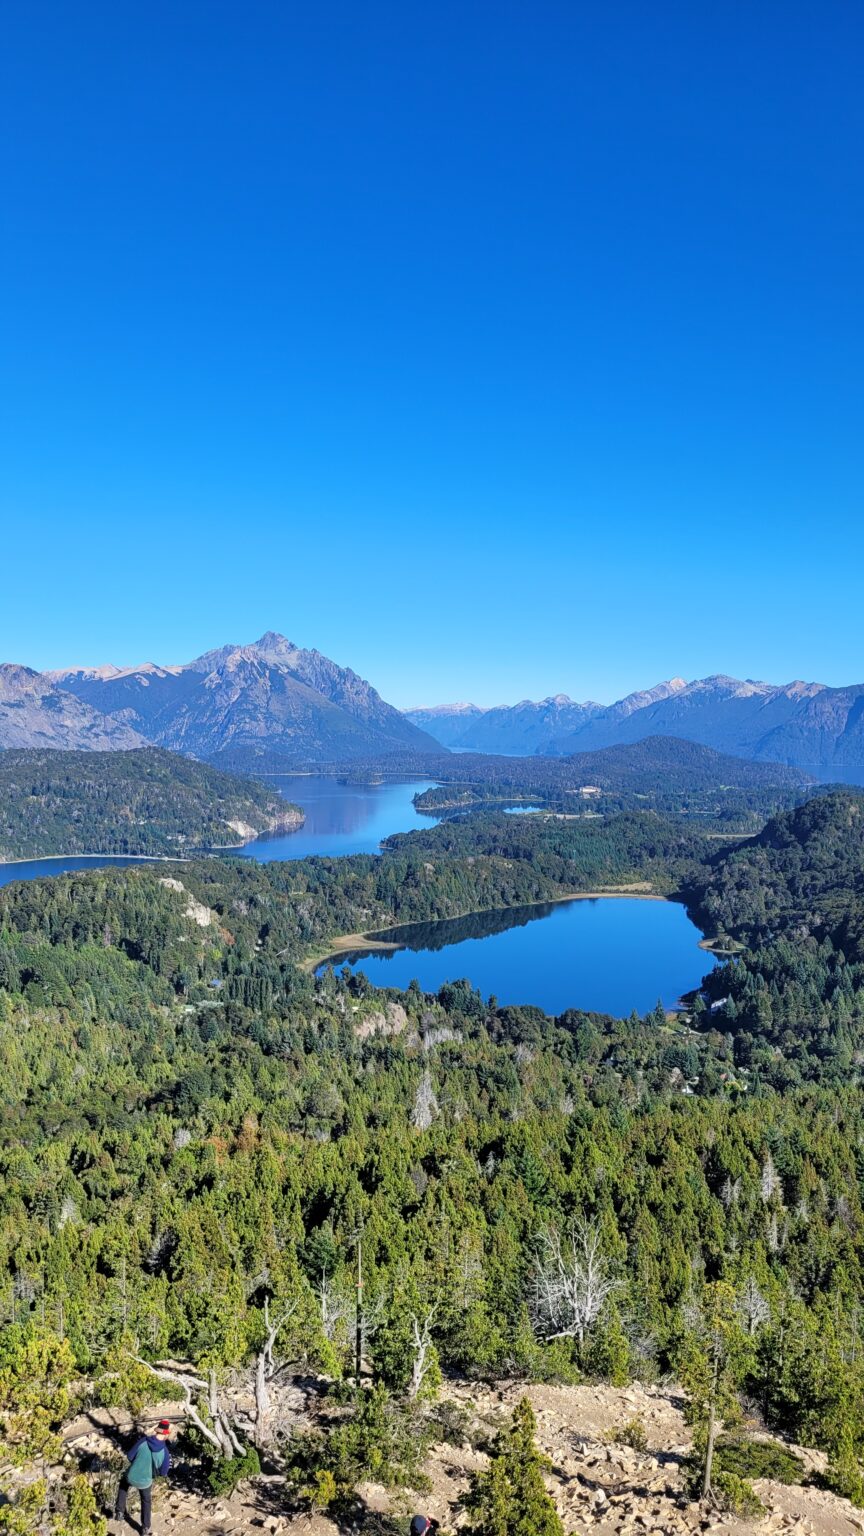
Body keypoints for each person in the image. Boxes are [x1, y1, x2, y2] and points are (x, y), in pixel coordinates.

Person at [114, 1419, 172, 1535]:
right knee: (146, 1501)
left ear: (157, 1431)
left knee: (123, 1483)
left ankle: (119, 1512)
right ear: (166, 1434)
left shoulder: (143, 1441)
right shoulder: (165, 1452)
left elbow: (130, 1456)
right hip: (145, 1482)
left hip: (132, 1476)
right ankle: (145, 1528)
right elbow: (163, 1473)